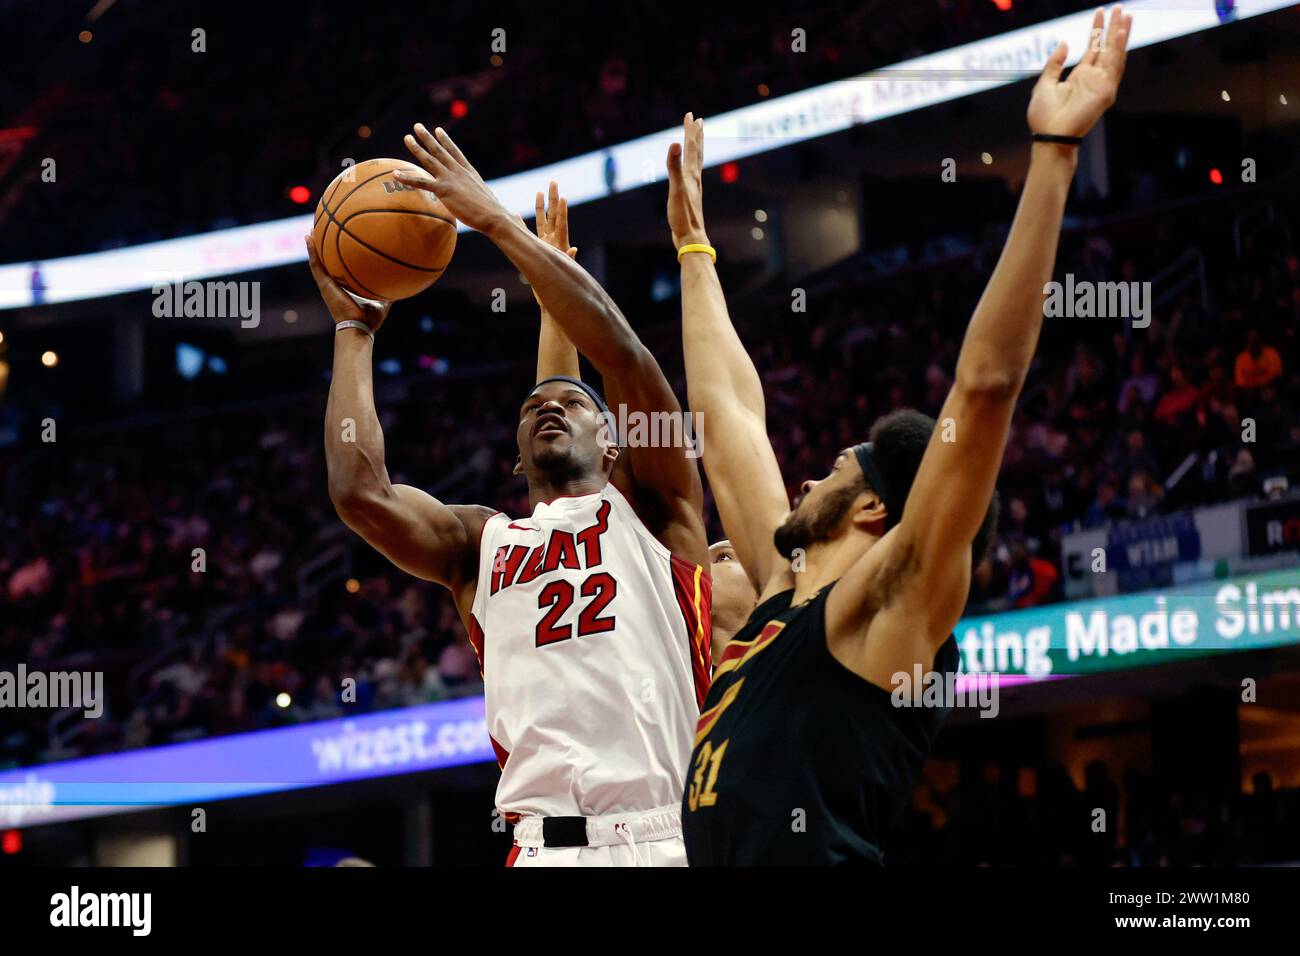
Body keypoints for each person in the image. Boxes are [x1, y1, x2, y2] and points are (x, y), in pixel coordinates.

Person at [668, 6, 1132, 864]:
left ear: (878, 507)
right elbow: (726, 416)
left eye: (836, 468)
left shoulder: (890, 606)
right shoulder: (783, 597)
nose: (803, 482)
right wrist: (696, 251)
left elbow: (986, 387)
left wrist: (1055, 155)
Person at [307, 128, 712, 867]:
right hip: (540, 850)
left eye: (574, 403)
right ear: (515, 459)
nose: (549, 406)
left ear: (617, 444)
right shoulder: (480, 546)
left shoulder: (656, 510)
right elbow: (359, 490)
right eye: (533, 408)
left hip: (664, 837)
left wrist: (499, 225)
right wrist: (352, 332)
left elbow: (624, 355)